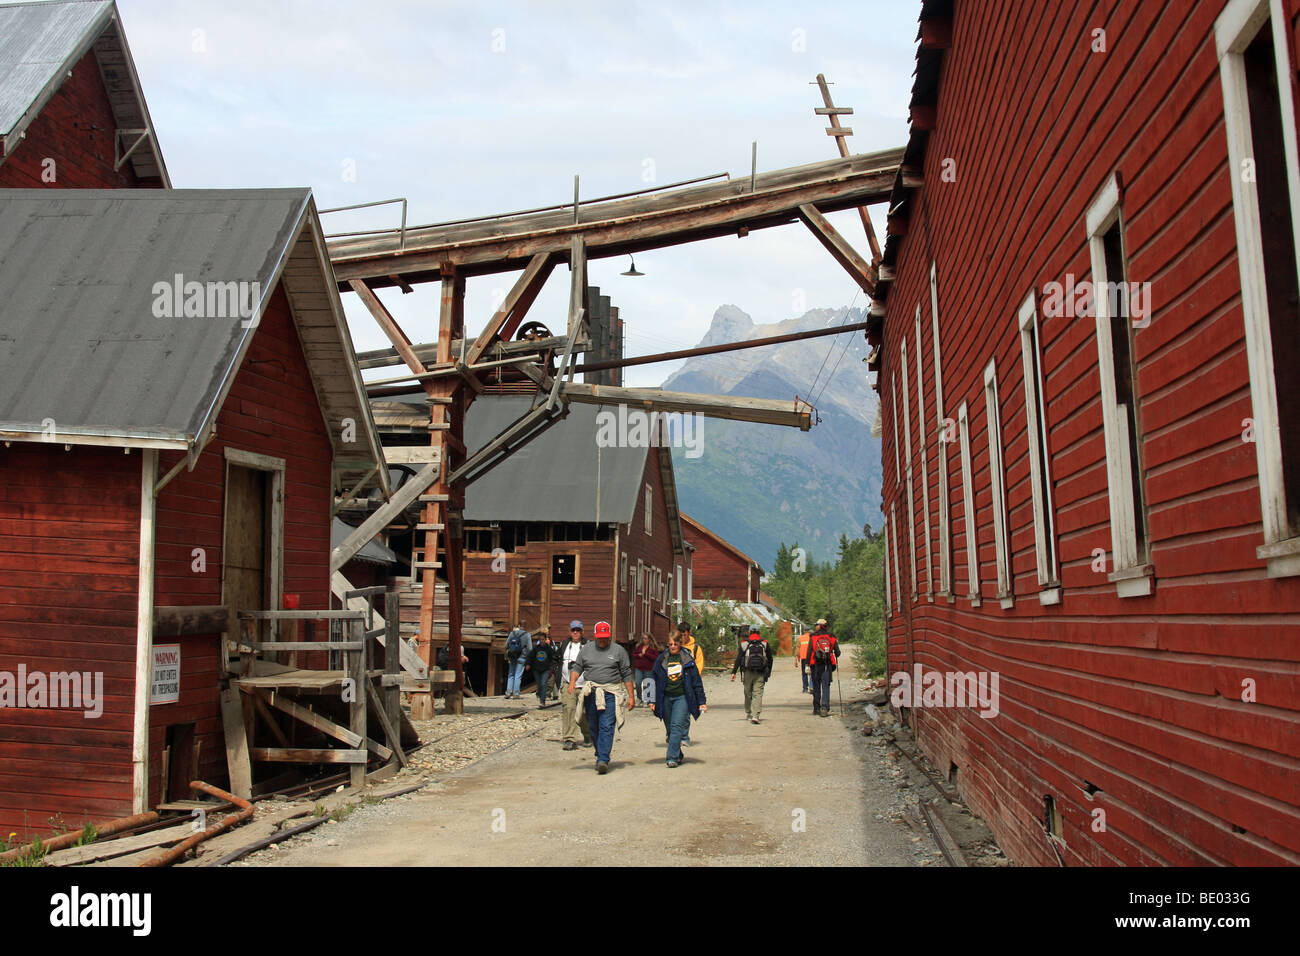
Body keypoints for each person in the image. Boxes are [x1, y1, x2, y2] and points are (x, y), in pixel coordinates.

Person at [567, 621, 635, 774]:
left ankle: (603, 758)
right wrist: (572, 682)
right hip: (592, 692)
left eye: (605, 638)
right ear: (595, 636)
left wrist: (631, 696)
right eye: (600, 638)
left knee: (606, 725)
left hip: (611, 692)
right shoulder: (587, 650)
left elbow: (626, 673)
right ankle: (600, 752)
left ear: (610, 636)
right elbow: (577, 667)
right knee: (593, 726)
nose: (602, 641)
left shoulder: (619, 651)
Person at [650, 631, 708, 768]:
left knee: (677, 727)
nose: (673, 646)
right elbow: (652, 678)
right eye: (670, 644)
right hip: (665, 697)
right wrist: (651, 700)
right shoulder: (662, 658)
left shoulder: (687, 659)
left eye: (675, 644)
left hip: (682, 697)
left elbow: (696, 682)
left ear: (680, 644)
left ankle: (671, 758)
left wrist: (702, 702)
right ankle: (678, 753)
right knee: (670, 730)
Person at [558, 621, 591, 750]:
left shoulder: (588, 646)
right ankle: (569, 739)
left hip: (584, 685)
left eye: (578, 630)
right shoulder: (564, 645)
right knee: (568, 710)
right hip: (568, 684)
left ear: (582, 631)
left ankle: (588, 735)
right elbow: (556, 660)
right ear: (570, 631)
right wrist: (557, 676)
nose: (575, 632)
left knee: (583, 714)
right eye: (573, 630)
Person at [730, 625, 773, 723]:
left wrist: (734, 672)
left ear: (749, 632)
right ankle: (756, 715)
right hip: (761, 672)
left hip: (747, 672)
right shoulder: (765, 643)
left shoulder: (744, 644)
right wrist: (769, 671)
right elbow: (770, 659)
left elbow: (739, 659)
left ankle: (749, 712)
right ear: (759, 632)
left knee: (748, 693)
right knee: (758, 693)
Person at [675, 621, 705, 744]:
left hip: (689, 683)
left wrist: (692, 676)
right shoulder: (675, 647)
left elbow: (699, 665)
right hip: (675, 682)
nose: (683, 637)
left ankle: (684, 737)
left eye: (684, 634)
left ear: (689, 633)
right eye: (680, 635)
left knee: (686, 711)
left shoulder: (696, 648)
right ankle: (673, 734)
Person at [808, 618, 841, 717]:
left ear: (819, 626)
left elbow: (809, 652)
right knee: (826, 686)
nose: (815, 627)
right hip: (827, 664)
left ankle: (816, 708)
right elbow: (838, 652)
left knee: (816, 686)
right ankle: (825, 707)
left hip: (815, 665)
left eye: (816, 625)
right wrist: (833, 653)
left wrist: (807, 665)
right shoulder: (831, 636)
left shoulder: (813, 636)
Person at [528, 627, 555, 706]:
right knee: (539, 684)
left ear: (545, 639)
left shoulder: (548, 648)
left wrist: (551, 666)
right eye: (541, 640)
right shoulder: (536, 648)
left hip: (545, 669)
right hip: (536, 669)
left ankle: (542, 701)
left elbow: (552, 657)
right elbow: (530, 657)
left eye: (543, 639)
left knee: (544, 684)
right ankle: (540, 695)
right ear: (539, 640)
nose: (542, 641)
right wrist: (528, 664)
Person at [504, 624, 532, 699]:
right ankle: (516, 693)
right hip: (522, 657)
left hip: (512, 657)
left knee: (511, 674)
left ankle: (508, 692)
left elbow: (506, 645)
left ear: (519, 626)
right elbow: (530, 648)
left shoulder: (512, 633)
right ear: (526, 627)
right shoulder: (527, 635)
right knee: (518, 675)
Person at [632, 634, 660, 705]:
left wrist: (645, 654)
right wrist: (638, 655)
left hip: (649, 669)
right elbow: (634, 654)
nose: (645, 640)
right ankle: (639, 698)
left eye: (646, 638)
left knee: (648, 684)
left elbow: (655, 657)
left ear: (650, 639)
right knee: (638, 683)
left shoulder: (653, 648)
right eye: (644, 638)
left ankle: (648, 700)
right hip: (639, 668)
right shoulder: (639, 646)